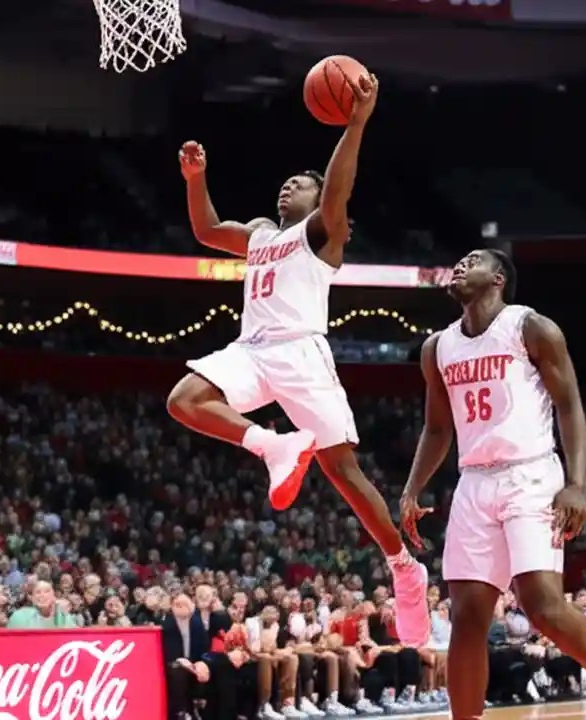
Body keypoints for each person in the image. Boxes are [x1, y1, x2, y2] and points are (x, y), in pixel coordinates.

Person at [166, 65, 429, 647]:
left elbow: (339, 186)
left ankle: (403, 569)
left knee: (343, 471)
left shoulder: (322, 232)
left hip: (302, 353)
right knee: (183, 398)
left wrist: (356, 124)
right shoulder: (261, 231)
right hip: (252, 351)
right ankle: (272, 444)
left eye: (301, 184)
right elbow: (209, 230)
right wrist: (195, 177)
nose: (290, 187)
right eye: (286, 183)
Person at [399, 248, 586, 719]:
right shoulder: (438, 347)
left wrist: (577, 485)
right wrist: (411, 489)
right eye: (459, 260)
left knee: (541, 606)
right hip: (474, 481)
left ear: (499, 278)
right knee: (467, 618)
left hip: (530, 474)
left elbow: (569, 406)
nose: (461, 265)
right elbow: (437, 429)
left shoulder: (532, 328)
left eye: (473, 260)